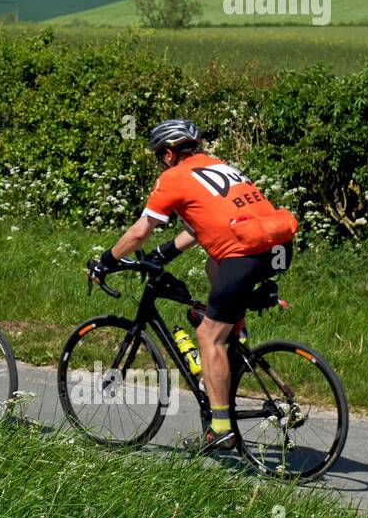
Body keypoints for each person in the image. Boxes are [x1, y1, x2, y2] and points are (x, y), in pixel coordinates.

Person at [87, 119, 297, 449]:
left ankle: (221, 428)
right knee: (213, 264)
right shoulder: (219, 166)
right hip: (279, 248)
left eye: (159, 156)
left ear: (169, 154)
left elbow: (140, 231)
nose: (160, 162)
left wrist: (106, 260)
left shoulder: (173, 178)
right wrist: (165, 252)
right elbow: (207, 224)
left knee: (207, 335)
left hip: (246, 255)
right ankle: (235, 328)